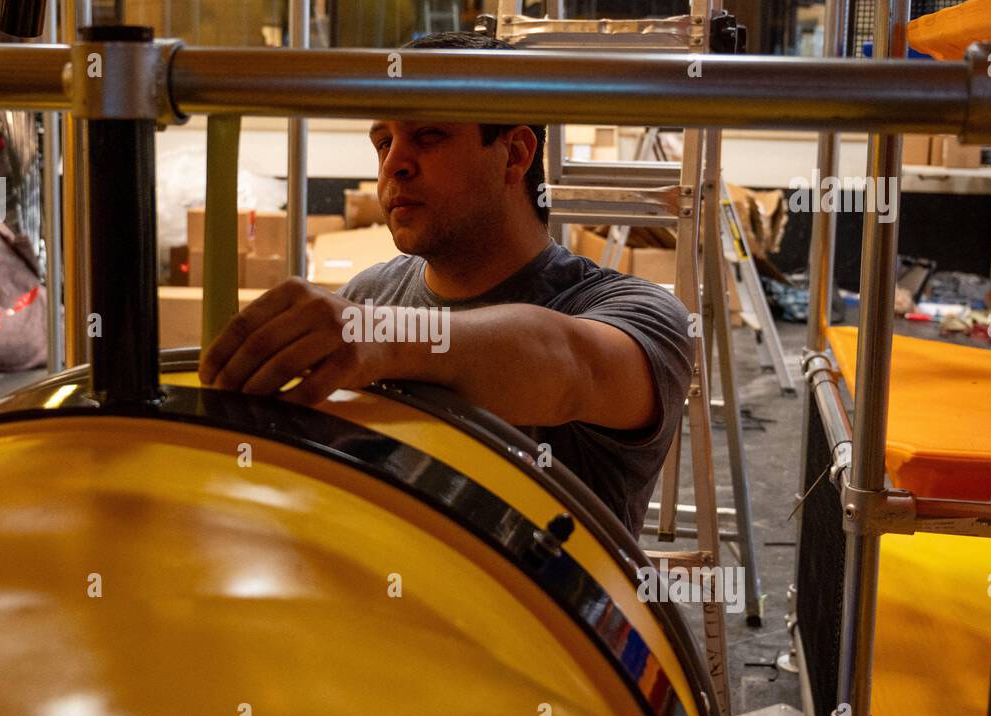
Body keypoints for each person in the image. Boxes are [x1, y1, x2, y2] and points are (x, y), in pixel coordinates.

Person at [199, 30, 692, 537]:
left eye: (429, 136)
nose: (394, 166)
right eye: (383, 142)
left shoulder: (641, 314)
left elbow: (567, 364)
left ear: (515, 153)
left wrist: (381, 338)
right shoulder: (369, 297)